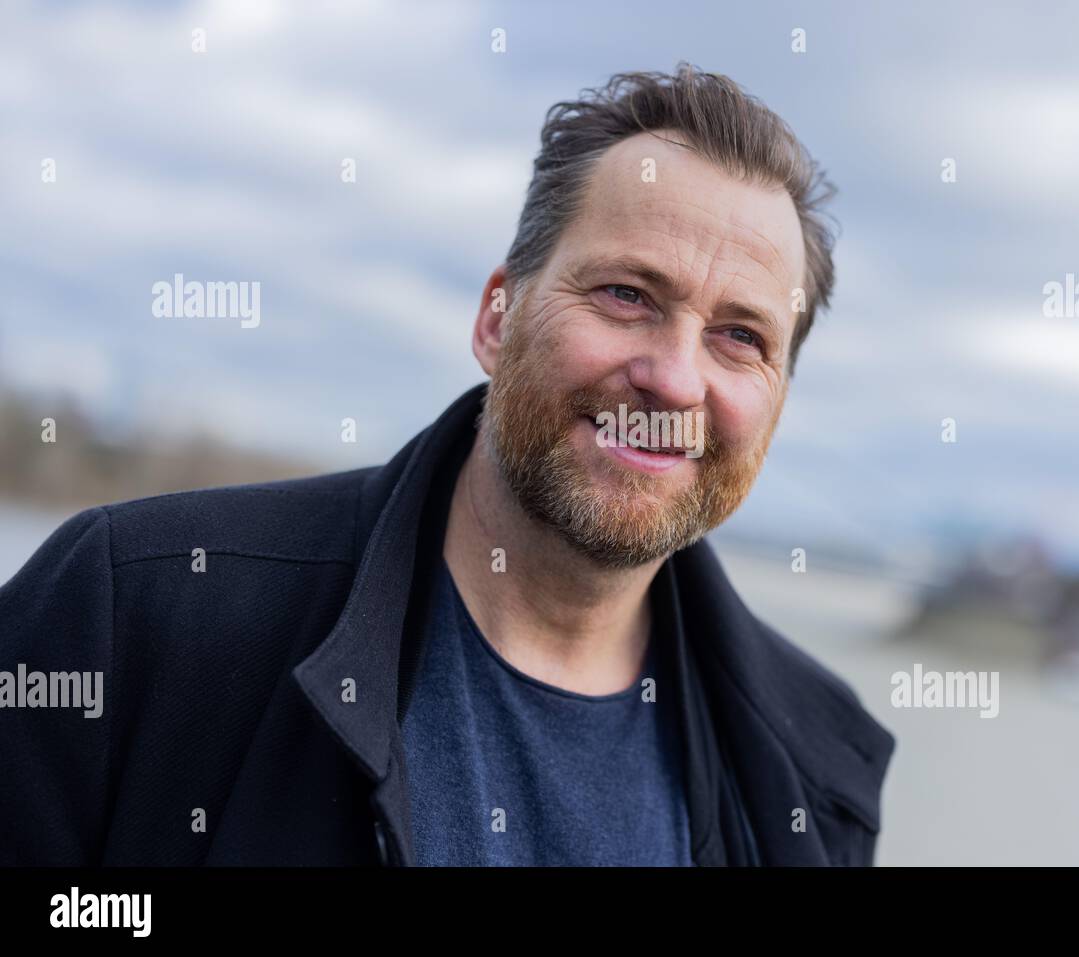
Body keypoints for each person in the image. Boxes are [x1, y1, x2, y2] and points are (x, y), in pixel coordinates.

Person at [0, 63, 894, 866]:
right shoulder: (130, 615)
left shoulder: (816, 769)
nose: (672, 378)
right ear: (498, 319)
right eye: (627, 294)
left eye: (741, 337)